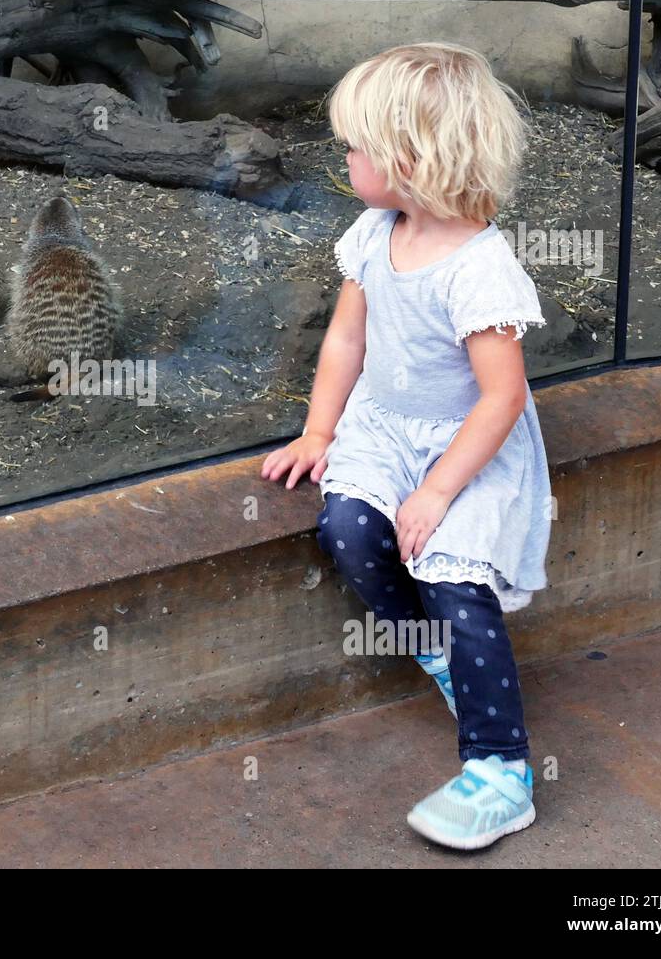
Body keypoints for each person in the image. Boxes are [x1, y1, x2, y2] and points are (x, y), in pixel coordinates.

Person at [261, 42, 551, 850]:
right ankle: (435, 655)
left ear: (411, 159)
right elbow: (346, 342)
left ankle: (502, 770)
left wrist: (438, 492)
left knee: (456, 581)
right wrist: (321, 429)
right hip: (384, 430)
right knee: (349, 531)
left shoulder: (480, 268)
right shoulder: (371, 232)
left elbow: (503, 397)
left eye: (356, 147)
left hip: (467, 448)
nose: (345, 156)